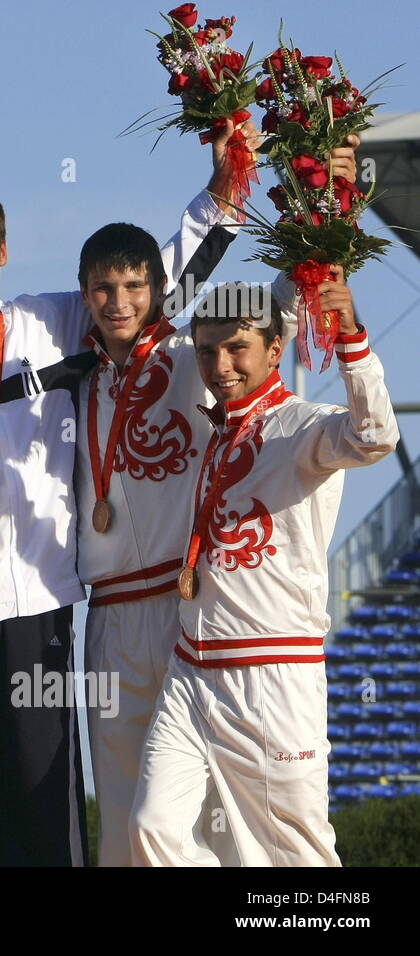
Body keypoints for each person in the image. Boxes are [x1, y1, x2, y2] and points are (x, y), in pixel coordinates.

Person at [0, 123, 253, 866]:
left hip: (36, 609)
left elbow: (151, 289)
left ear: (5, 250)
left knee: (43, 811)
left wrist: (220, 195)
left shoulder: (49, 321)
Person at [129, 268, 397, 866]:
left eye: (236, 349)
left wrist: (350, 336)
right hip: (191, 670)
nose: (220, 365)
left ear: (276, 349)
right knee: (151, 828)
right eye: (206, 352)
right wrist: (312, 230)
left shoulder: (305, 426)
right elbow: (278, 298)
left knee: (298, 855)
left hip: (274, 674)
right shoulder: (212, 426)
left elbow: (376, 436)